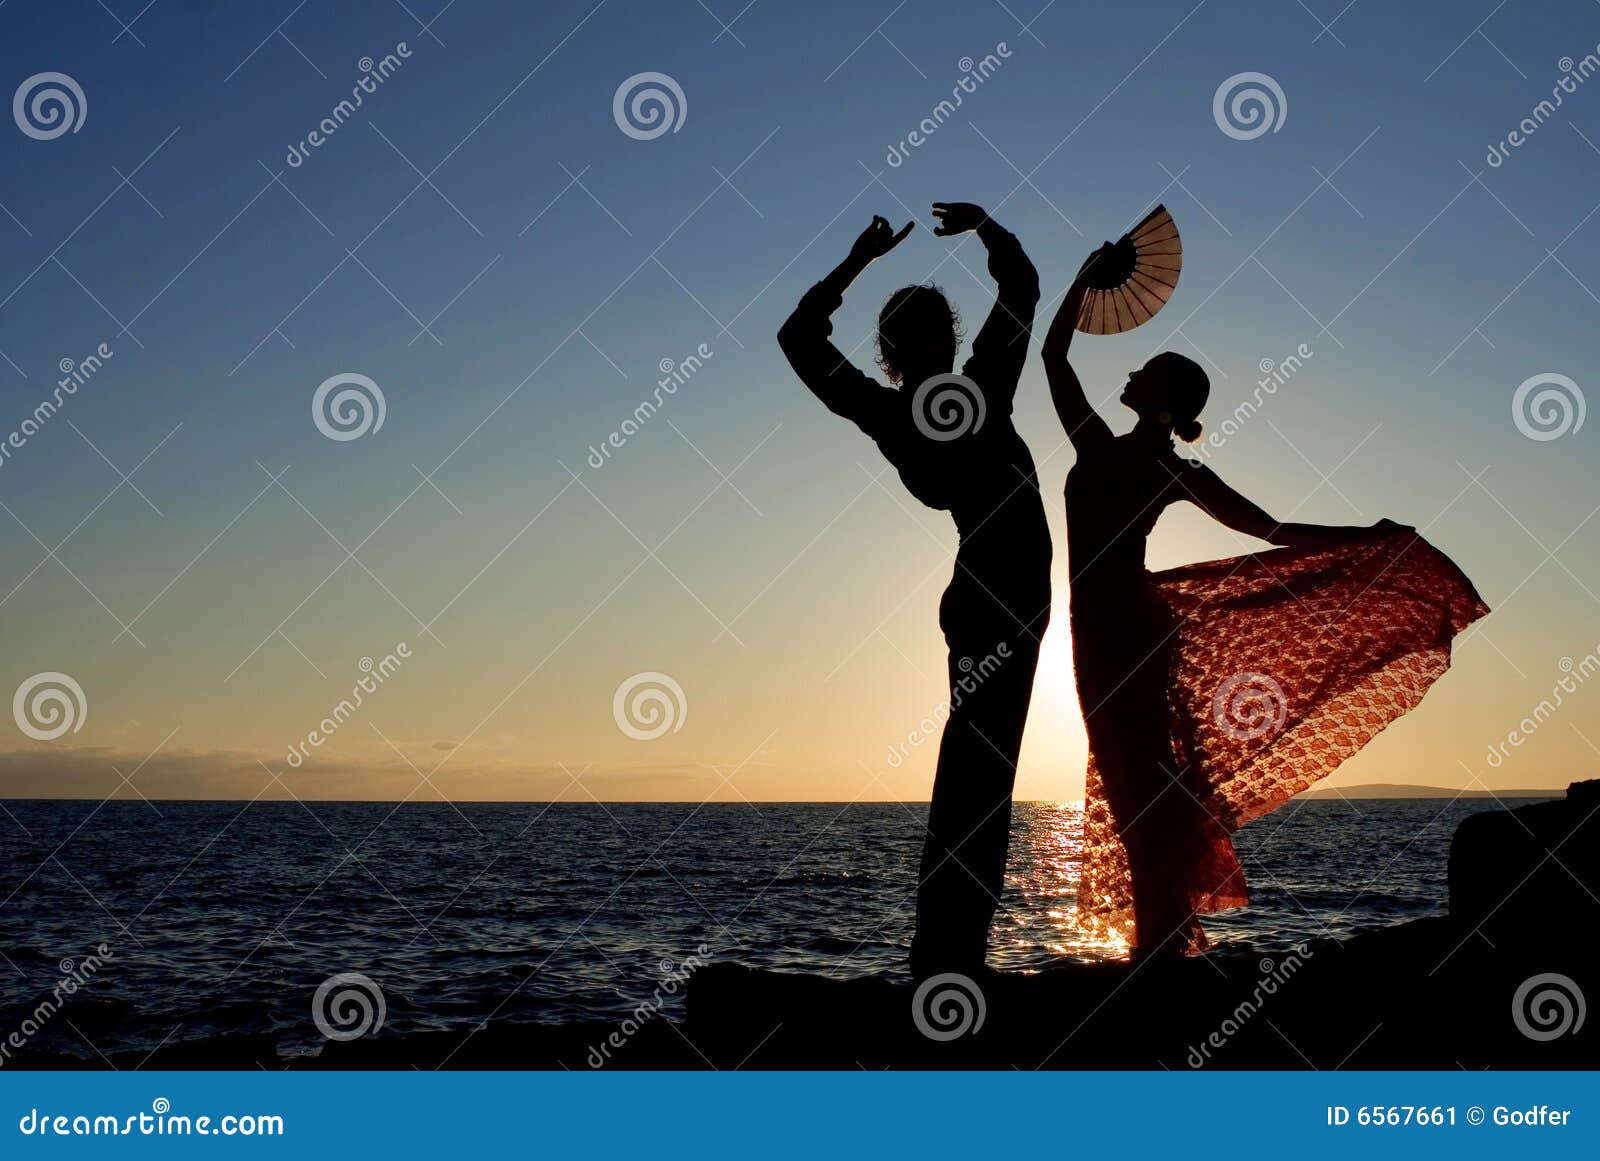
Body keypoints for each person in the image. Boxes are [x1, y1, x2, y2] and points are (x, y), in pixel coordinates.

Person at [1042, 241, 1489, 956]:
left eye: (1145, 368)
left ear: (1162, 398)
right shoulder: (1115, 451)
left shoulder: (1139, 460)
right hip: (1102, 626)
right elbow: (1053, 360)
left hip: (1123, 628)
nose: (1128, 369)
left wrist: (1364, 534)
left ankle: (1160, 940)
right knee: (1137, 780)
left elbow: (1272, 531)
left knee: (1141, 781)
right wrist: (1080, 280)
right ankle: (1160, 935)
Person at [778, 204, 1051, 975]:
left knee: (984, 772)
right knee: (977, 771)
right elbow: (798, 341)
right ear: (900, 351)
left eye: (942, 326)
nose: (939, 339)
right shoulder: (903, 409)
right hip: (993, 596)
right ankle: (945, 957)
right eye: (919, 330)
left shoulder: (977, 387)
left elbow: (1022, 288)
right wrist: (857, 261)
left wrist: (990, 226)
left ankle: (953, 952)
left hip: (1010, 594)